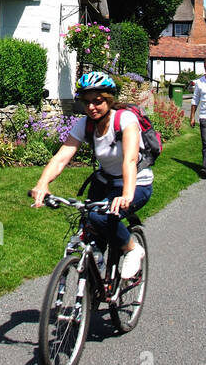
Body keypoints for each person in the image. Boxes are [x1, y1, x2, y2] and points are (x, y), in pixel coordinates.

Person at [30, 71, 153, 285]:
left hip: (135, 182)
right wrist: (42, 184)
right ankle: (99, 275)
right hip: (104, 182)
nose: (92, 107)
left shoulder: (125, 119)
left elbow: (130, 160)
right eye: (86, 102)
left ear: (109, 100)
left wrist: (126, 195)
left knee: (100, 216)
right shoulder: (85, 125)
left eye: (98, 102)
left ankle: (133, 249)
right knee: (88, 225)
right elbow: (61, 157)